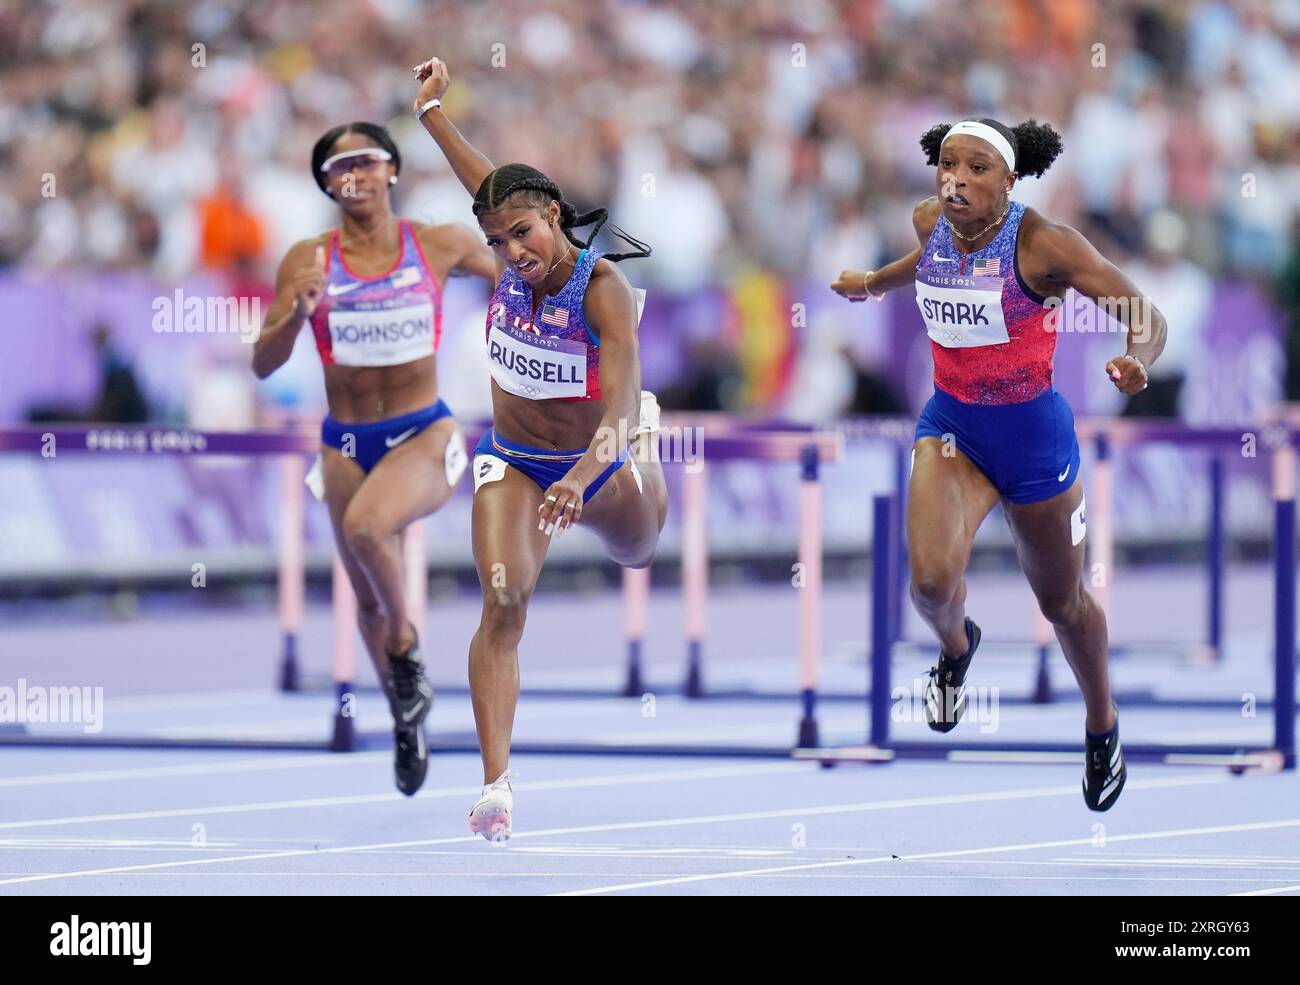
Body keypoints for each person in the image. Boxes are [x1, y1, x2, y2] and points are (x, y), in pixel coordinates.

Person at [832, 117, 1167, 811]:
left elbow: (1145, 311)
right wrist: (870, 282)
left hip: (1034, 439)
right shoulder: (931, 220)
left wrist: (1140, 357)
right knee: (927, 583)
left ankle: (1101, 723)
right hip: (951, 427)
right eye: (948, 164)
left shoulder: (1046, 244)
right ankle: (957, 649)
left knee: (1061, 603)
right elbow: (920, 264)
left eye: (977, 168)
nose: (956, 179)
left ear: (1010, 180)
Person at [412, 56, 668, 840]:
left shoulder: (604, 291)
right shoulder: (505, 248)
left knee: (638, 552)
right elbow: (487, 187)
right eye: (498, 239)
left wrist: (589, 474)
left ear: (554, 216)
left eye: (523, 234)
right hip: (516, 462)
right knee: (504, 599)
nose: (512, 251)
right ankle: (497, 785)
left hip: (607, 457)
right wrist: (430, 116)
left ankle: (644, 469)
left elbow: (619, 403)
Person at [252, 122, 495, 796]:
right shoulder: (307, 260)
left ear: (392, 171)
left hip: (425, 433)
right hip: (344, 442)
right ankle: (403, 712)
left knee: (366, 528)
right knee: (362, 597)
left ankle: (407, 654)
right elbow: (264, 365)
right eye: (339, 165)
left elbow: (526, 270)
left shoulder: (438, 243)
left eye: (367, 160)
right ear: (325, 183)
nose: (354, 172)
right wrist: (293, 318)